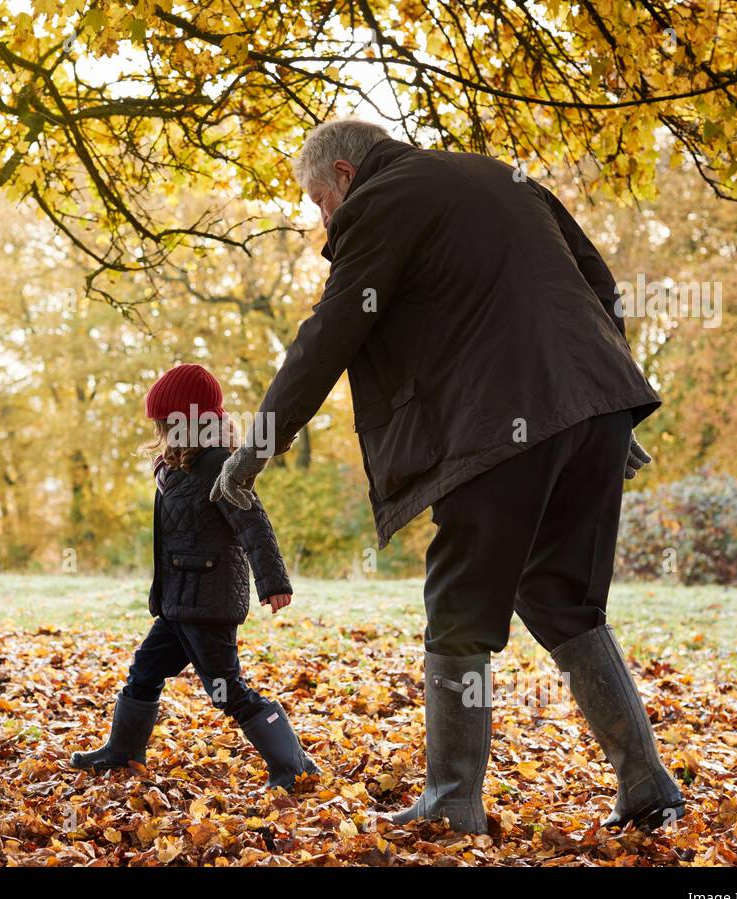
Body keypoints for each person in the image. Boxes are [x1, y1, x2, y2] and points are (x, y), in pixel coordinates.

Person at [210, 118, 685, 833]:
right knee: (564, 600)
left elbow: (330, 335)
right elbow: (600, 283)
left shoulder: (379, 202)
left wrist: (254, 450)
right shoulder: (500, 175)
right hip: (598, 404)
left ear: (343, 175)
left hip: (499, 420)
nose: (322, 221)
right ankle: (647, 785)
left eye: (317, 202)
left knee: (459, 611)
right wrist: (597, 405)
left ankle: (453, 799)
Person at [71, 363, 319, 791]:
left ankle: (294, 767)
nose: (161, 432)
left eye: (167, 424)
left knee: (228, 691)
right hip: (177, 604)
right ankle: (123, 751)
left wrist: (273, 581)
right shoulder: (178, 469)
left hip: (208, 602)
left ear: (190, 423)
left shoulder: (220, 465)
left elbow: (252, 522)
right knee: (144, 671)